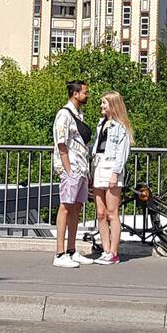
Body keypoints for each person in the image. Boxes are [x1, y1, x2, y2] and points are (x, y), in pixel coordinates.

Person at [52, 81, 94, 267]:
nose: (87, 95)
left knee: (76, 207)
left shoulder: (79, 115)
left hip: (81, 167)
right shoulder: (64, 115)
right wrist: (68, 170)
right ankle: (59, 253)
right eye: (85, 92)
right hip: (72, 168)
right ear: (75, 94)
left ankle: (71, 249)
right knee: (66, 206)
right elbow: (62, 144)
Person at [90, 92, 134, 265]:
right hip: (98, 166)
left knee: (112, 212)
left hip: (111, 168)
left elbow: (122, 152)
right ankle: (105, 249)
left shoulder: (120, 127)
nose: (101, 106)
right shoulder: (101, 124)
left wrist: (116, 172)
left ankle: (114, 252)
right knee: (100, 213)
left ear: (113, 105)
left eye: (104, 103)